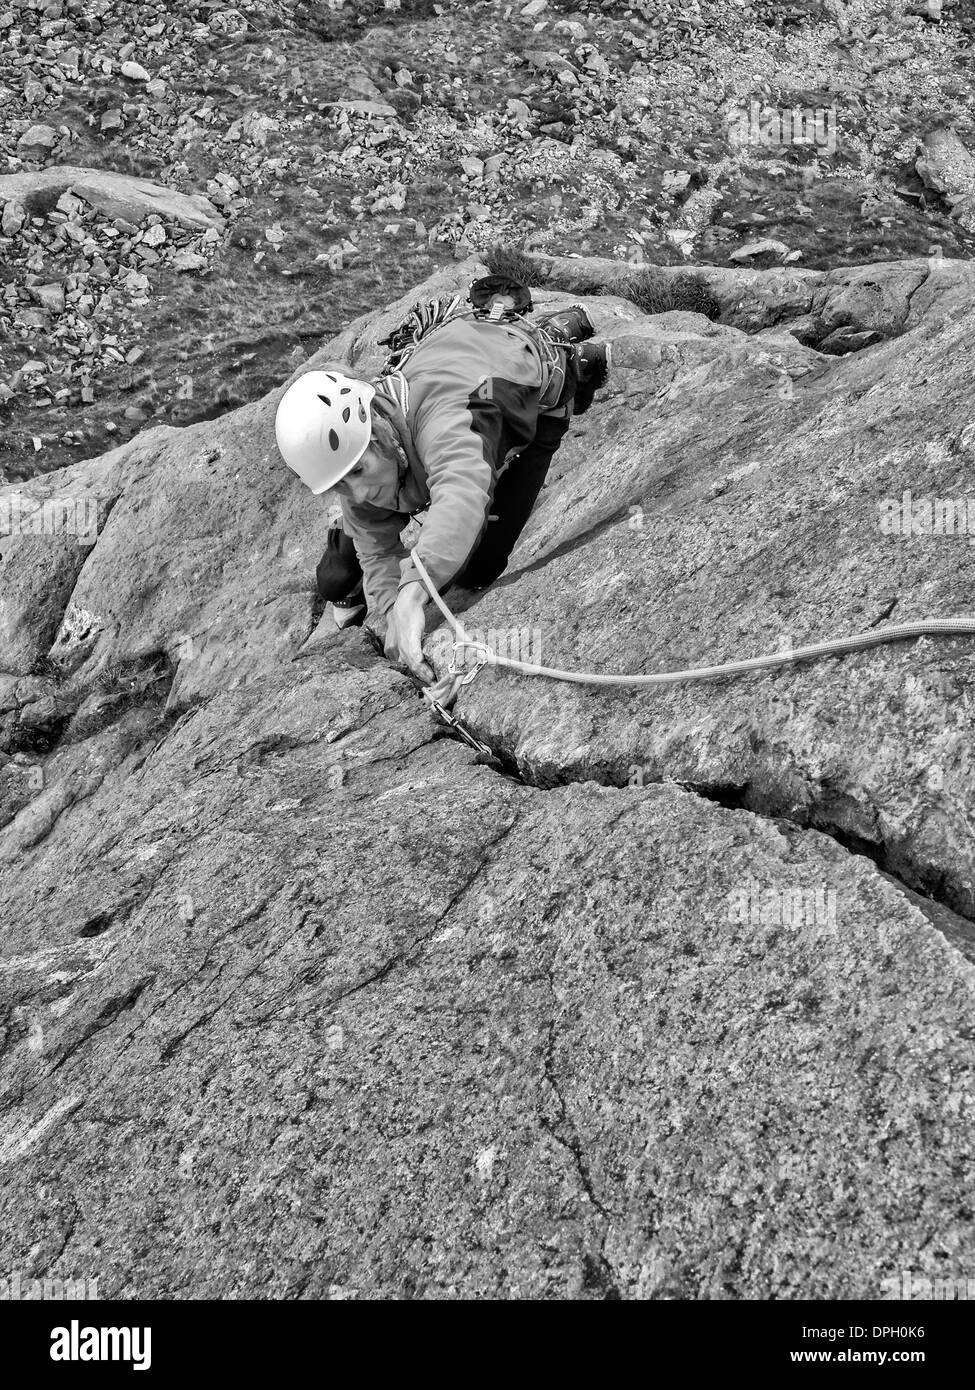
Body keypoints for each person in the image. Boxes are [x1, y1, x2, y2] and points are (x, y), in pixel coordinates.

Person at [274, 280, 609, 687]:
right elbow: (376, 546)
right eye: (340, 486)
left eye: (358, 473)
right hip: (452, 350)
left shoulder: (446, 419)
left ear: (380, 430)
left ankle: (564, 347)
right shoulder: (363, 452)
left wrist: (415, 591)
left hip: (511, 381)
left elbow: (461, 493)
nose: (358, 494)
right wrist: (393, 606)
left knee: (478, 569)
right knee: (335, 577)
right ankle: (539, 333)